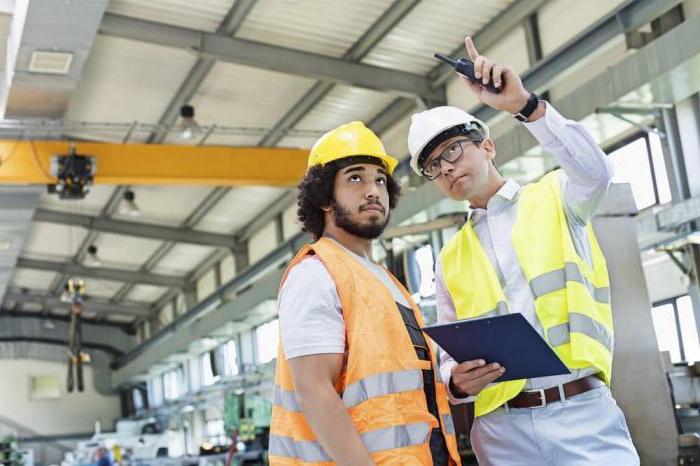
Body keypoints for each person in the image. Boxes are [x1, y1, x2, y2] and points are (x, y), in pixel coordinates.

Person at [406, 36, 639, 465]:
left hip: (582, 413)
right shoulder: (449, 258)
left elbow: (597, 171)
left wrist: (524, 105)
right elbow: (447, 351)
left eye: (453, 150)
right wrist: (455, 381)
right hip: (500, 431)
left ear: (488, 146)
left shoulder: (556, 196)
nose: (447, 168)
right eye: (433, 166)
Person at [268, 121, 461, 465]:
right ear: (325, 197)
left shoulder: (386, 282)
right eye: (355, 178)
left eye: (380, 180)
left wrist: (457, 386)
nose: (372, 190)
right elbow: (314, 391)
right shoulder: (315, 273)